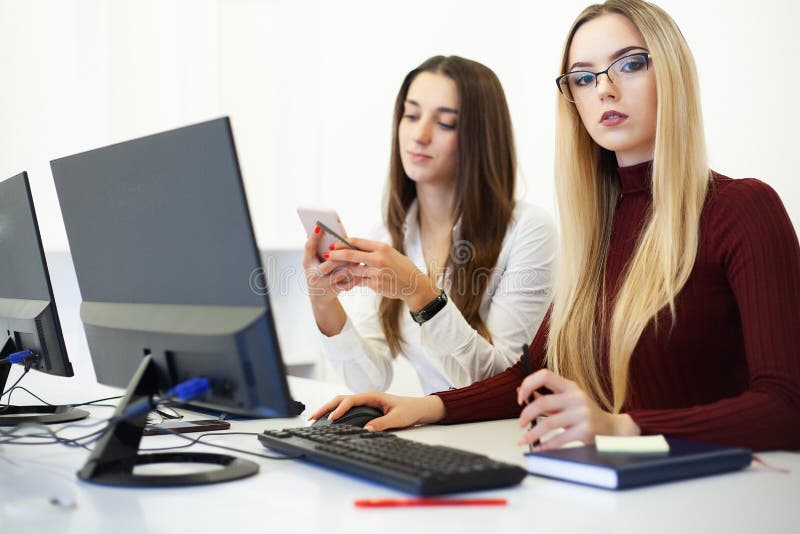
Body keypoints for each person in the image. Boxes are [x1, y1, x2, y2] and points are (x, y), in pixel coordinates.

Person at [310, 0, 800, 452]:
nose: (605, 88)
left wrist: (622, 428)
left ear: (671, 72)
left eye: (629, 64)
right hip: (616, 486)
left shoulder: (743, 209)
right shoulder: (596, 230)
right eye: (583, 79)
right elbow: (531, 375)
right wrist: (428, 408)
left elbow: (786, 407)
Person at [303, 56, 557, 395]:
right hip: (439, 434)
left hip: (507, 436)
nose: (419, 135)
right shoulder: (390, 235)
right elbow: (370, 380)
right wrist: (323, 302)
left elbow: (502, 385)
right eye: (411, 115)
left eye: (446, 123)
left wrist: (419, 293)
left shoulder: (529, 230)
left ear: (481, 138)